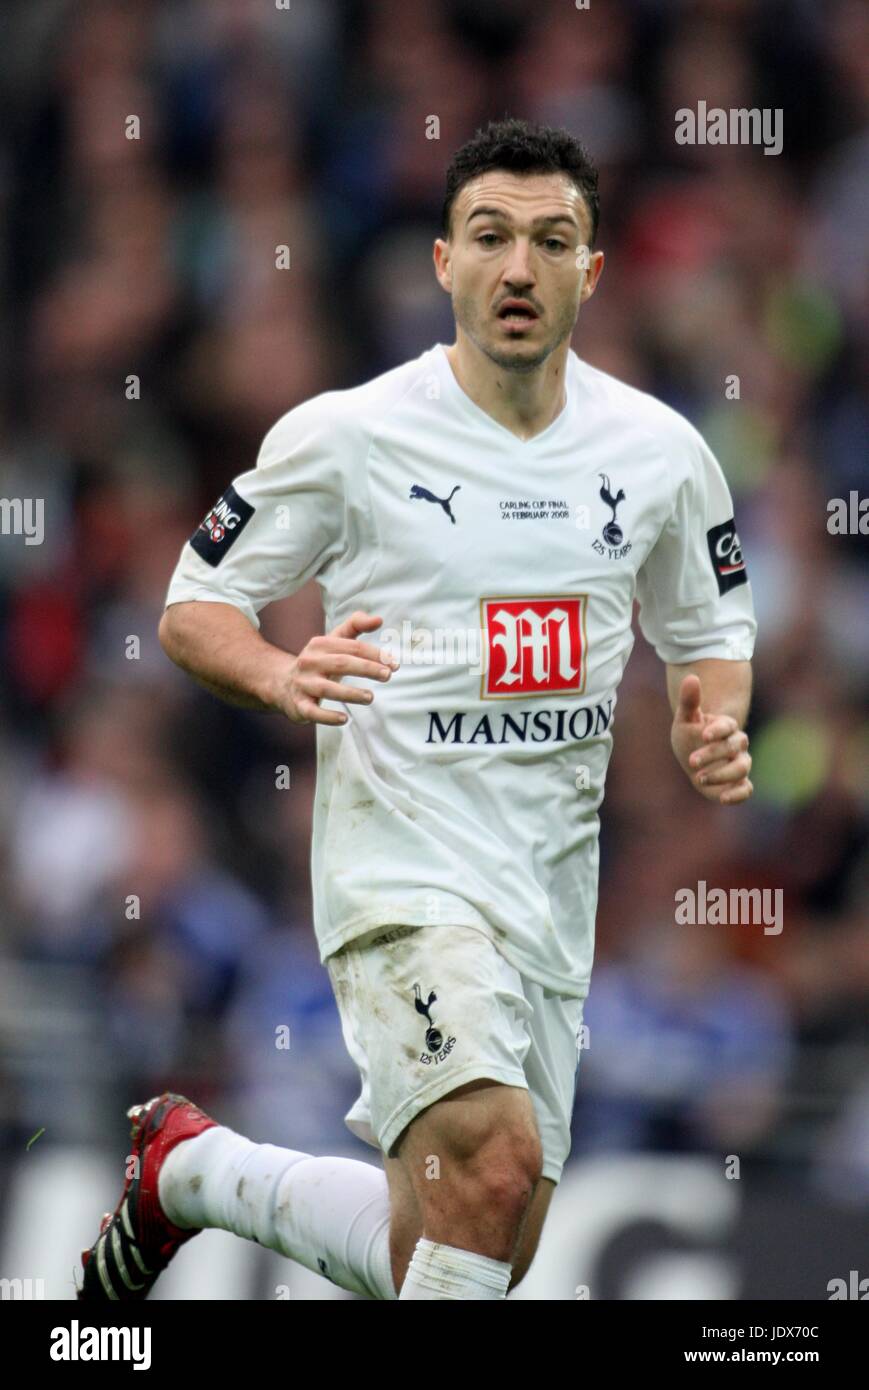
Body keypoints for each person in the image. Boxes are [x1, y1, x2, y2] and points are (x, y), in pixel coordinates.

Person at [78, 117, 755, 1302]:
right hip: (398, 875)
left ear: (591, 274)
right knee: (493, 1165)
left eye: (551, 242)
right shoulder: (349, 436)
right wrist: (281, 672)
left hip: (546, 900)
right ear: (441, 261)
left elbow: (707, 633)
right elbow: (194, 603)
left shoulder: (658, 452)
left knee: (457, 1243)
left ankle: (191, 1171)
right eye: (488, 236)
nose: (517, 268)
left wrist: (713, 723)